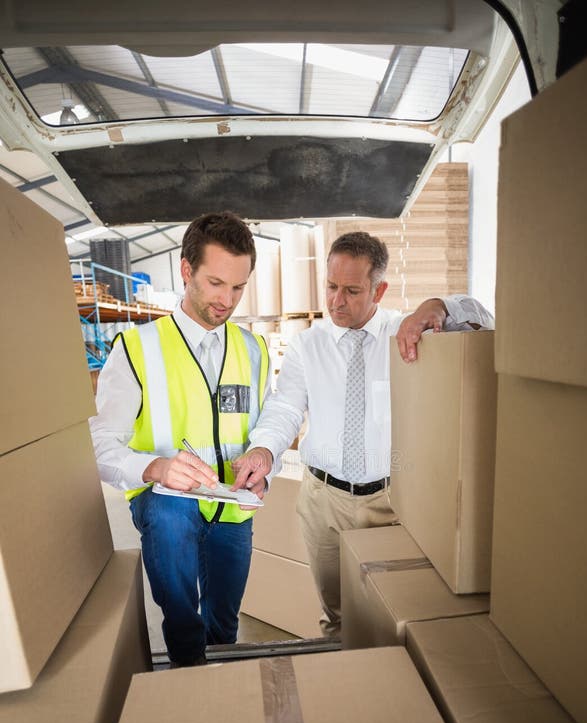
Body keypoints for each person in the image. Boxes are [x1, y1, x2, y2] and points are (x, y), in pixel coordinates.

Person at [232, 231, 494, 638]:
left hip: (394, 502)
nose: (337, 301)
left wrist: (438, 305)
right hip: (324, 503)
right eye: (331, 287)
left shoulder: (407, 335)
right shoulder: (307, 346)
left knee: (396, 609)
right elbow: (285, 408)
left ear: (380, 290)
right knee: (336, 615)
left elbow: (483, 317)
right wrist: (264, 450)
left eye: (352, 291)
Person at [90, 212, 270, 666]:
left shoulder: (254, 349)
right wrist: (156, 468)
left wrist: (263, 468)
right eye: (215, 283)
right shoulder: (136, 348)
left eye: (238, 287)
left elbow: (265, 430)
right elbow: (100, 445)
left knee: (225, 624)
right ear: (186, 271)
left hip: (232, 508)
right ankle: (186, 664)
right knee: (185, 622)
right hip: (166, 506)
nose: (227, 300)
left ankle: (218, 670)